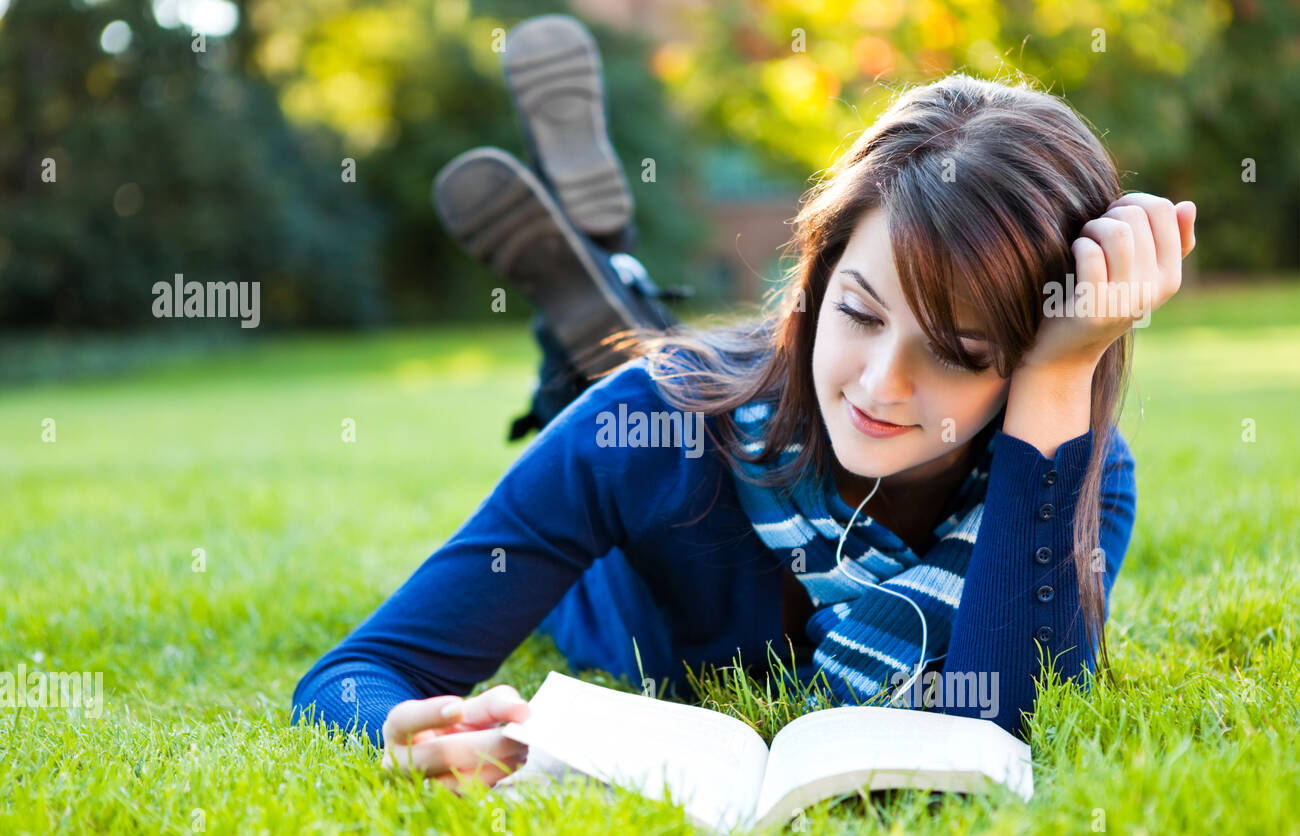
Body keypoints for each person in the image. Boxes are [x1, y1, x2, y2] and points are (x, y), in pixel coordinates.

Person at [292, 20, 1197, 796]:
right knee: (617, 392)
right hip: (654, 472)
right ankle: (610, 276)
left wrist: (1056, 383)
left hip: (706, 391)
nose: (881, 383)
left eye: (960, 355)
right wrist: (404, 730)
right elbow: (357, 673)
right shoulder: (649, 429)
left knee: (643, 369)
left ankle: (613, 274)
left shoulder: (1072, 463)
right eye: (858, 311)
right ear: (815, 275)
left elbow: (1009, 713)